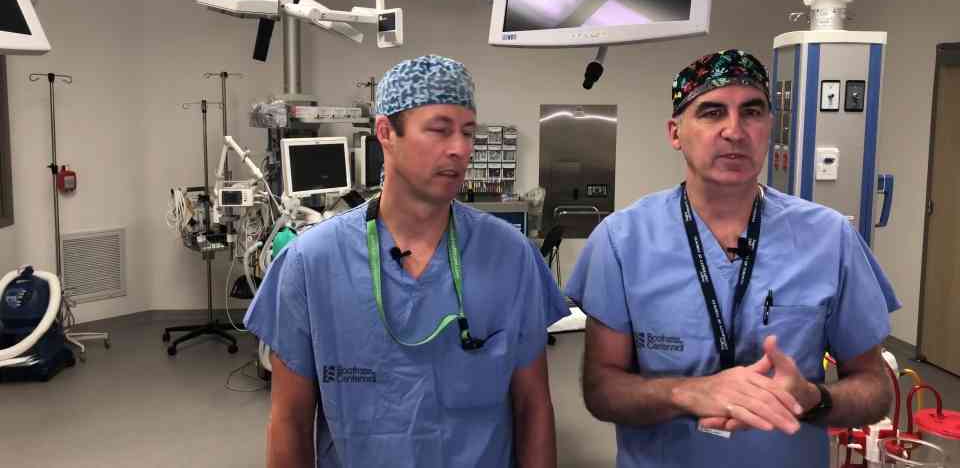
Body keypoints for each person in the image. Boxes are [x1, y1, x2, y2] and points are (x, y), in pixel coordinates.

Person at [564, 49, 901, 468]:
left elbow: (874, 388)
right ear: (675, 132)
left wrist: (813, 398)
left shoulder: (829, 239)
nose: (734, 131)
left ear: (769, 127)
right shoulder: (622, 241)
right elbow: (601, 389)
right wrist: (687, 393)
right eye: (712, 112)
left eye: (752, 112)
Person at [245, 54, 570, 468]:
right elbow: (289, 422)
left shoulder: (510, 256)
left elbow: (533, 407)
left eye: (468, 132)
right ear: (386, 133)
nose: (460, 149)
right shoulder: (312, 263)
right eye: (439, 130)